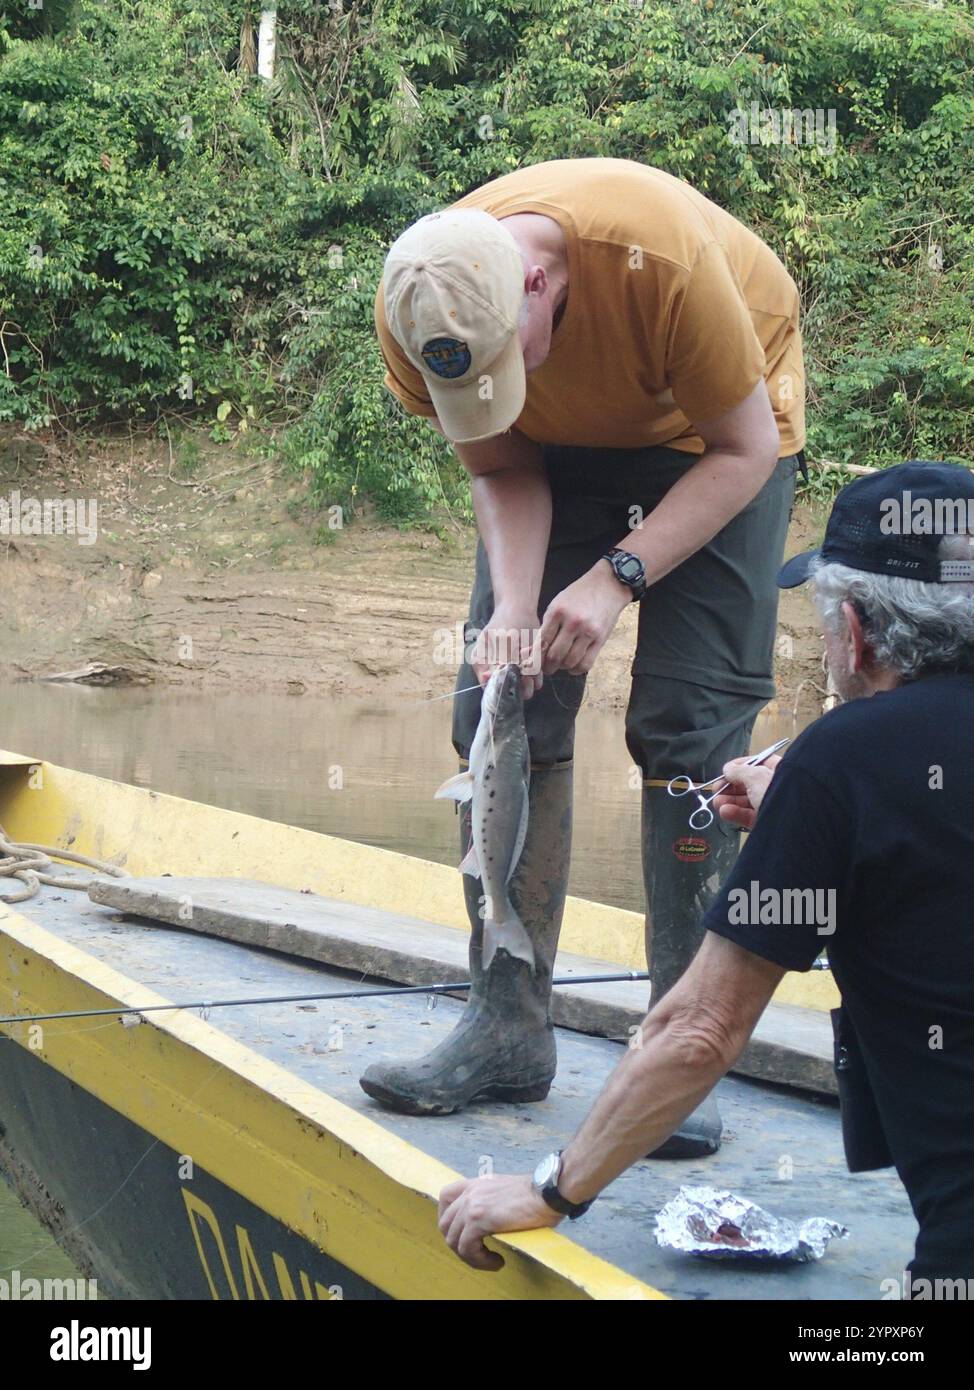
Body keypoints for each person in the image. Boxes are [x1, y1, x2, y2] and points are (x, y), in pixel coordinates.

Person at [436, 460, 974, 1291]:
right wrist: (806, 813)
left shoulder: (841, 764)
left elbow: (701, 1031)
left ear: (856, 632)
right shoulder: (834, 778)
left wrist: (550, 1188)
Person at [362, 157, 806, 1157]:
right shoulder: (419, 300)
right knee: (497, 707)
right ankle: (505, 1026)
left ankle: (678, 1047)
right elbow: (501, 460)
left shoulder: (655, 263)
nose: (488, 391)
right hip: (560, 453)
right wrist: (515, 604)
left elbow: (742, 453)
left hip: (717, 437)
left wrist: (613, 578)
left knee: (687, 727)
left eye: (502, 368)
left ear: (535, 282)